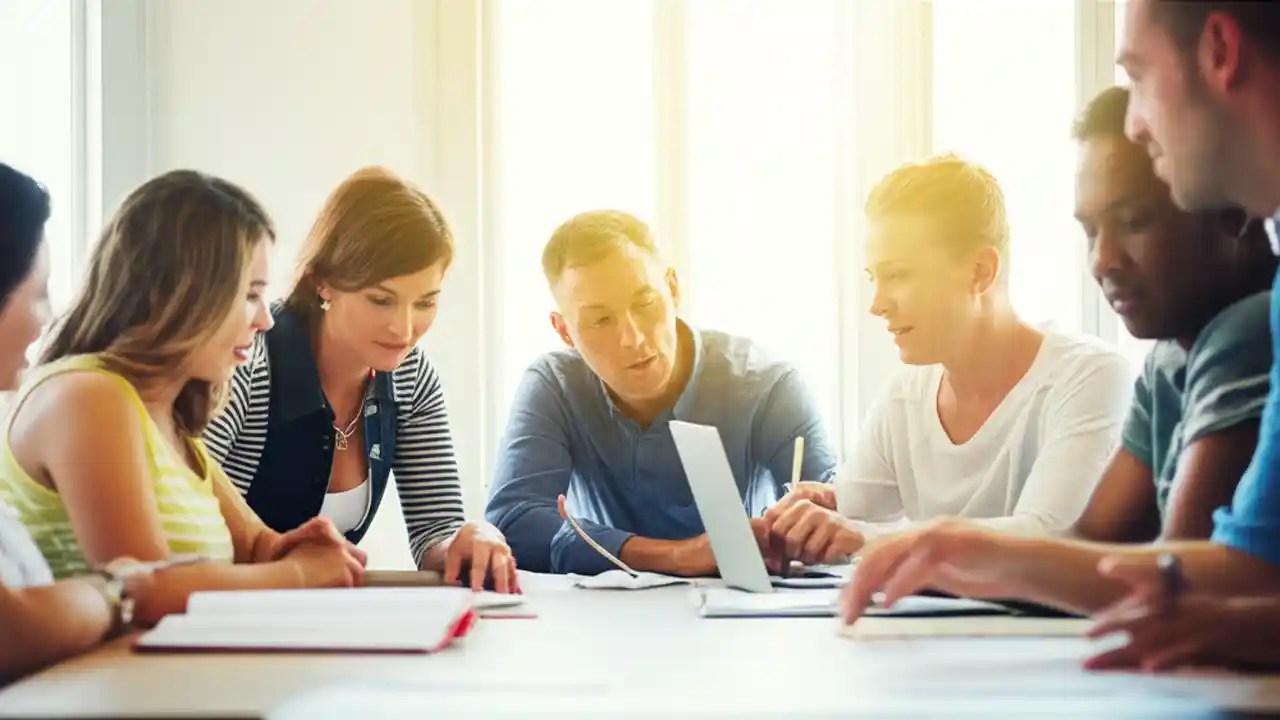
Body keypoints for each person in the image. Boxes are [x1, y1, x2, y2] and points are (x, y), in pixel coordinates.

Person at [845, 0, 1280, 668]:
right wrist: (964, 551)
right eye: (1088, 230)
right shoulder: (1171, 356)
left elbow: (1193, 581)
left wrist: (969, 550)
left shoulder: (1245, 330)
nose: (1102, 259)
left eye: (1132, 219)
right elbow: (1098, 543)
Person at [0, 169, 366, 644]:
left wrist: (295, 548)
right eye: (250, 294)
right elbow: (152, 593)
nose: (264, 321)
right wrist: (298, 574)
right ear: (183, 293)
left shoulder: (167, 416)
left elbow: (256, 545)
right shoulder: (91, 396)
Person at [764, 155, 1132, 565]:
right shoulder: (904, 396)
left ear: (980, 272)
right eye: (874, 279)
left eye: (898, 275)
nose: (877, 305)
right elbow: (853, 517)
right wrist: (818, 515)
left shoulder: (1090, 377)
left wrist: (864, 537)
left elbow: (1051, 533)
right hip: (935, 630)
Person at [204, 167, 516, 593]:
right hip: (225, 612)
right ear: (323, 283)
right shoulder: (249, 361)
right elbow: (193, 520)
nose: (404, 330)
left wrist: (476, 539)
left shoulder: (412, 377)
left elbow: (436, 531)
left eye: (425, 302)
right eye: (381, 300)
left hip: (322, 620)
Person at [485, 210, 837, 575]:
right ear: (564, 331)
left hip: (743, 615)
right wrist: (678, 556)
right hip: (601, 615)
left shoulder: (769, 384)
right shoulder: (554, 385)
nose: (632, 338)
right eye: (600, 320)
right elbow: (513, 522)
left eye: (645, 304)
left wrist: (827, 515)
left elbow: (834, 517)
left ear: (672, 288)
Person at [0, 163, 127, 682]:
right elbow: (13, 627)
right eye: (39, 291)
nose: (48, 316)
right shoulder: (84, 397)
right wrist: (112, 591)